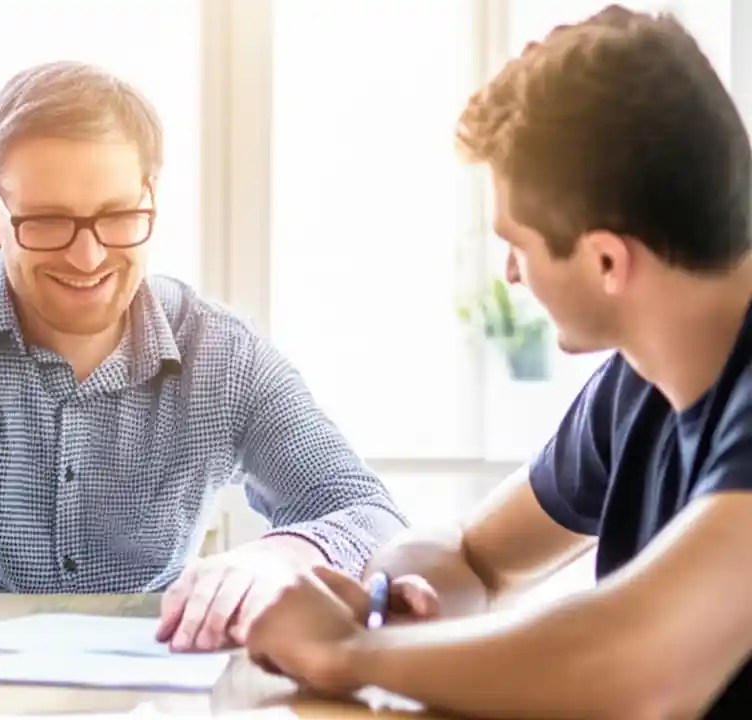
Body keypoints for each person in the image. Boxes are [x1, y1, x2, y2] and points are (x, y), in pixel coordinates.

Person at [0, 60, 407, 669]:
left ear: (151, 197)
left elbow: (365, 509)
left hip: (144, 687)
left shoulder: (223, 355)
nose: (88, 258)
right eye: (48, 222)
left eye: (118, 217)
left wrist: (286, 556)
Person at [245, 5, 752, 718]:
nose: (512, 274)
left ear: (607, 259)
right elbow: (474, 555)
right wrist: (390, 600)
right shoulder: (638, 386)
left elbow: (641, 669)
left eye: (518, 243)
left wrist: (348, 653)